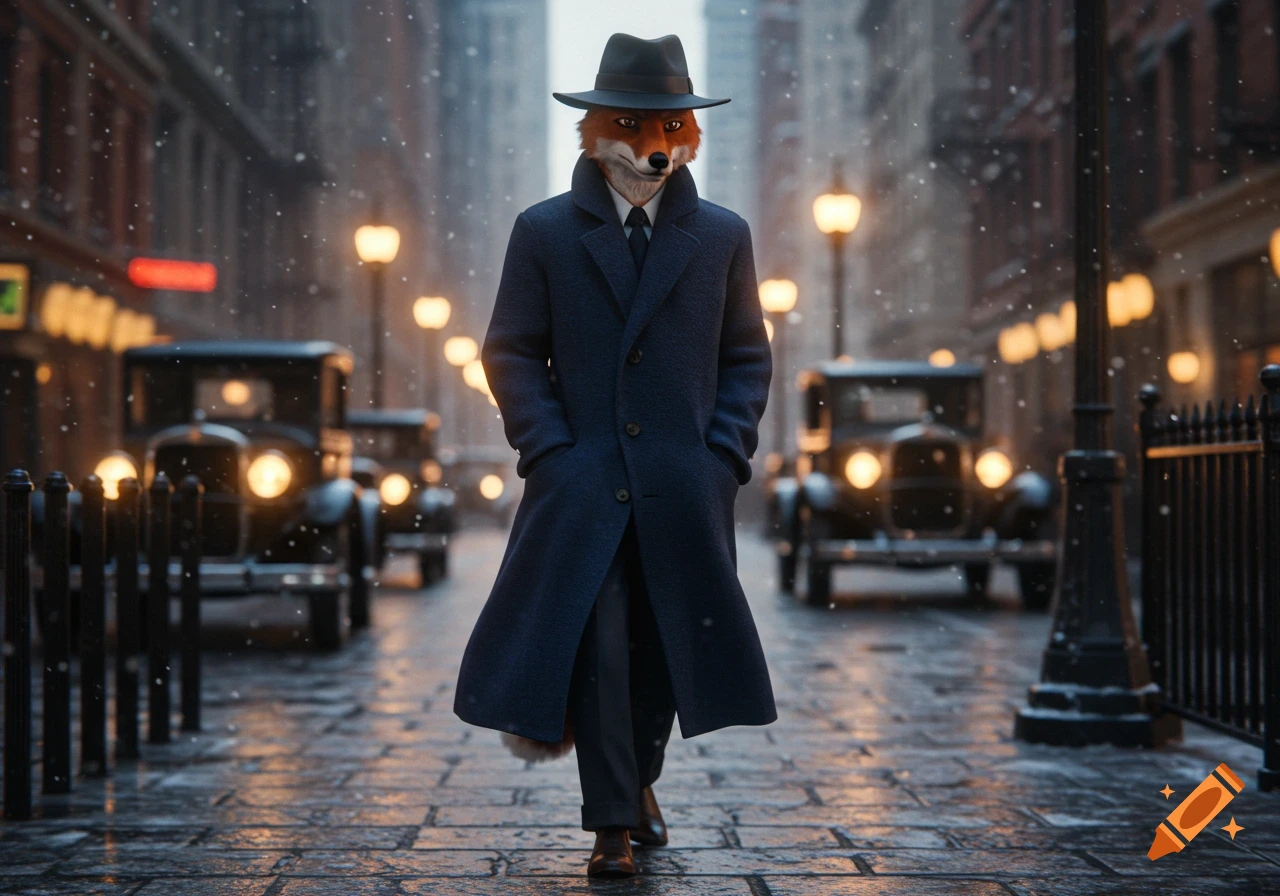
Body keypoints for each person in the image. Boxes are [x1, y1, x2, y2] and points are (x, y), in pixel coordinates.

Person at [453, 32, 776, 879]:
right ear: (595, 130)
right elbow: (511, 350)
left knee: (665, 649)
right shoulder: (546, 233)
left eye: (672, 128)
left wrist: (723, 454)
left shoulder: (722, 237)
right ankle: (611, 826)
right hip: (584, 482)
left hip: (683, 482)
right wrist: (549, 449)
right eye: (633, 125)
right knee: (598, 645)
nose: (654, 146)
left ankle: (637, 786)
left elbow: (747, 355)